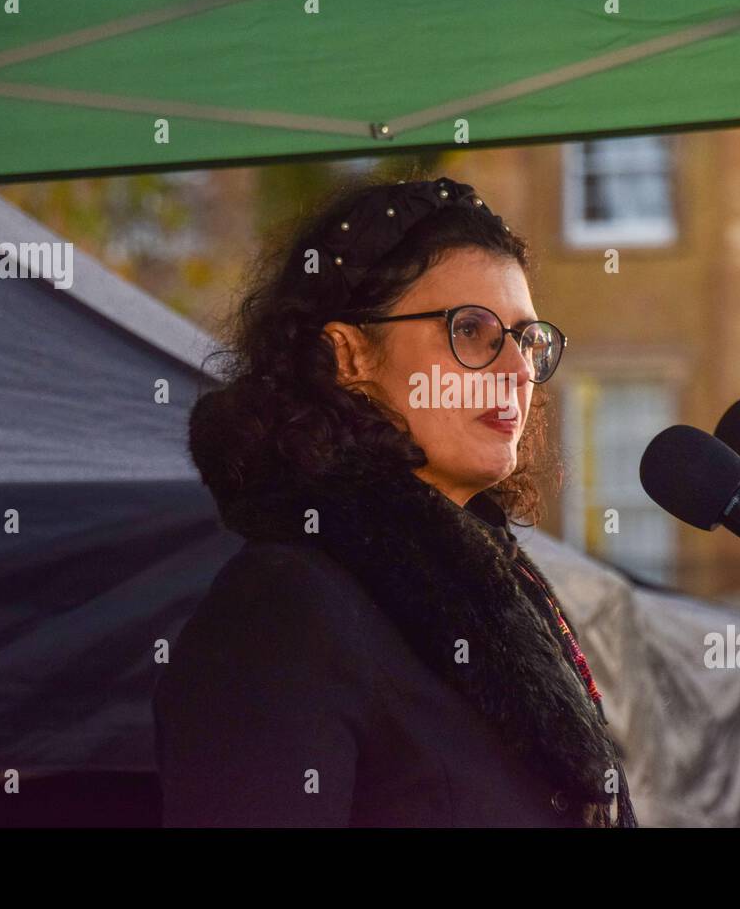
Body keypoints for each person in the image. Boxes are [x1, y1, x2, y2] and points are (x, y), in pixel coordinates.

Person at [153, 172, 637, 827]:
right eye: (472, 331)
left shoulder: (507, 592)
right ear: (348, 355)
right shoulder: (284, 606)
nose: (519, 370)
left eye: (527, 339)